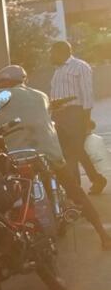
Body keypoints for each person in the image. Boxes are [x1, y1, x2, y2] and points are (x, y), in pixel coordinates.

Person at [0, 64, 111, 249]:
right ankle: (103, 234)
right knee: (76, 192)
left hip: (20, 156)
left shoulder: (3, 95)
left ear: (5, 82)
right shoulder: (40, 95)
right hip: (51, 155)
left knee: (9, 188)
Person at [50, 41, 106, 194]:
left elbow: (87, 92)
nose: (50, 56)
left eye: (52, 52)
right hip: (59, 115)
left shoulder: (80, 66)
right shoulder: (58, 70)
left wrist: (86, 118)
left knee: (72, 151)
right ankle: (97, 179)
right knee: (74, 150)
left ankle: (75, 188)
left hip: (75, 113)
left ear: (62, 52)